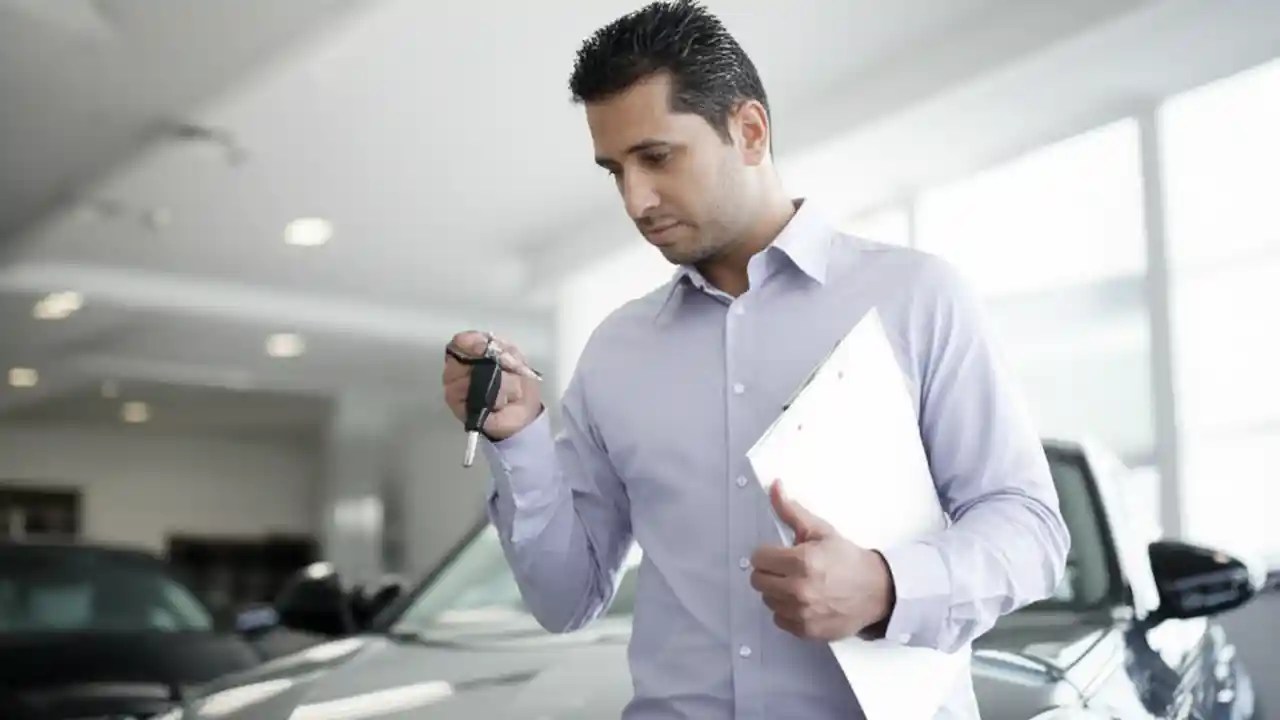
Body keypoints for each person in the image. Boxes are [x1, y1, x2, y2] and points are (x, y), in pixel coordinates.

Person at [442, 1, 1070, 717]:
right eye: (615, 171)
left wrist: (886, 585)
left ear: (749, 131)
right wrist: (518, 438)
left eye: (656, 157)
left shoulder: (916, 298)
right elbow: (566, 600)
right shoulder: (616, 353)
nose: (636, 200)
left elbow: (1030, 532)